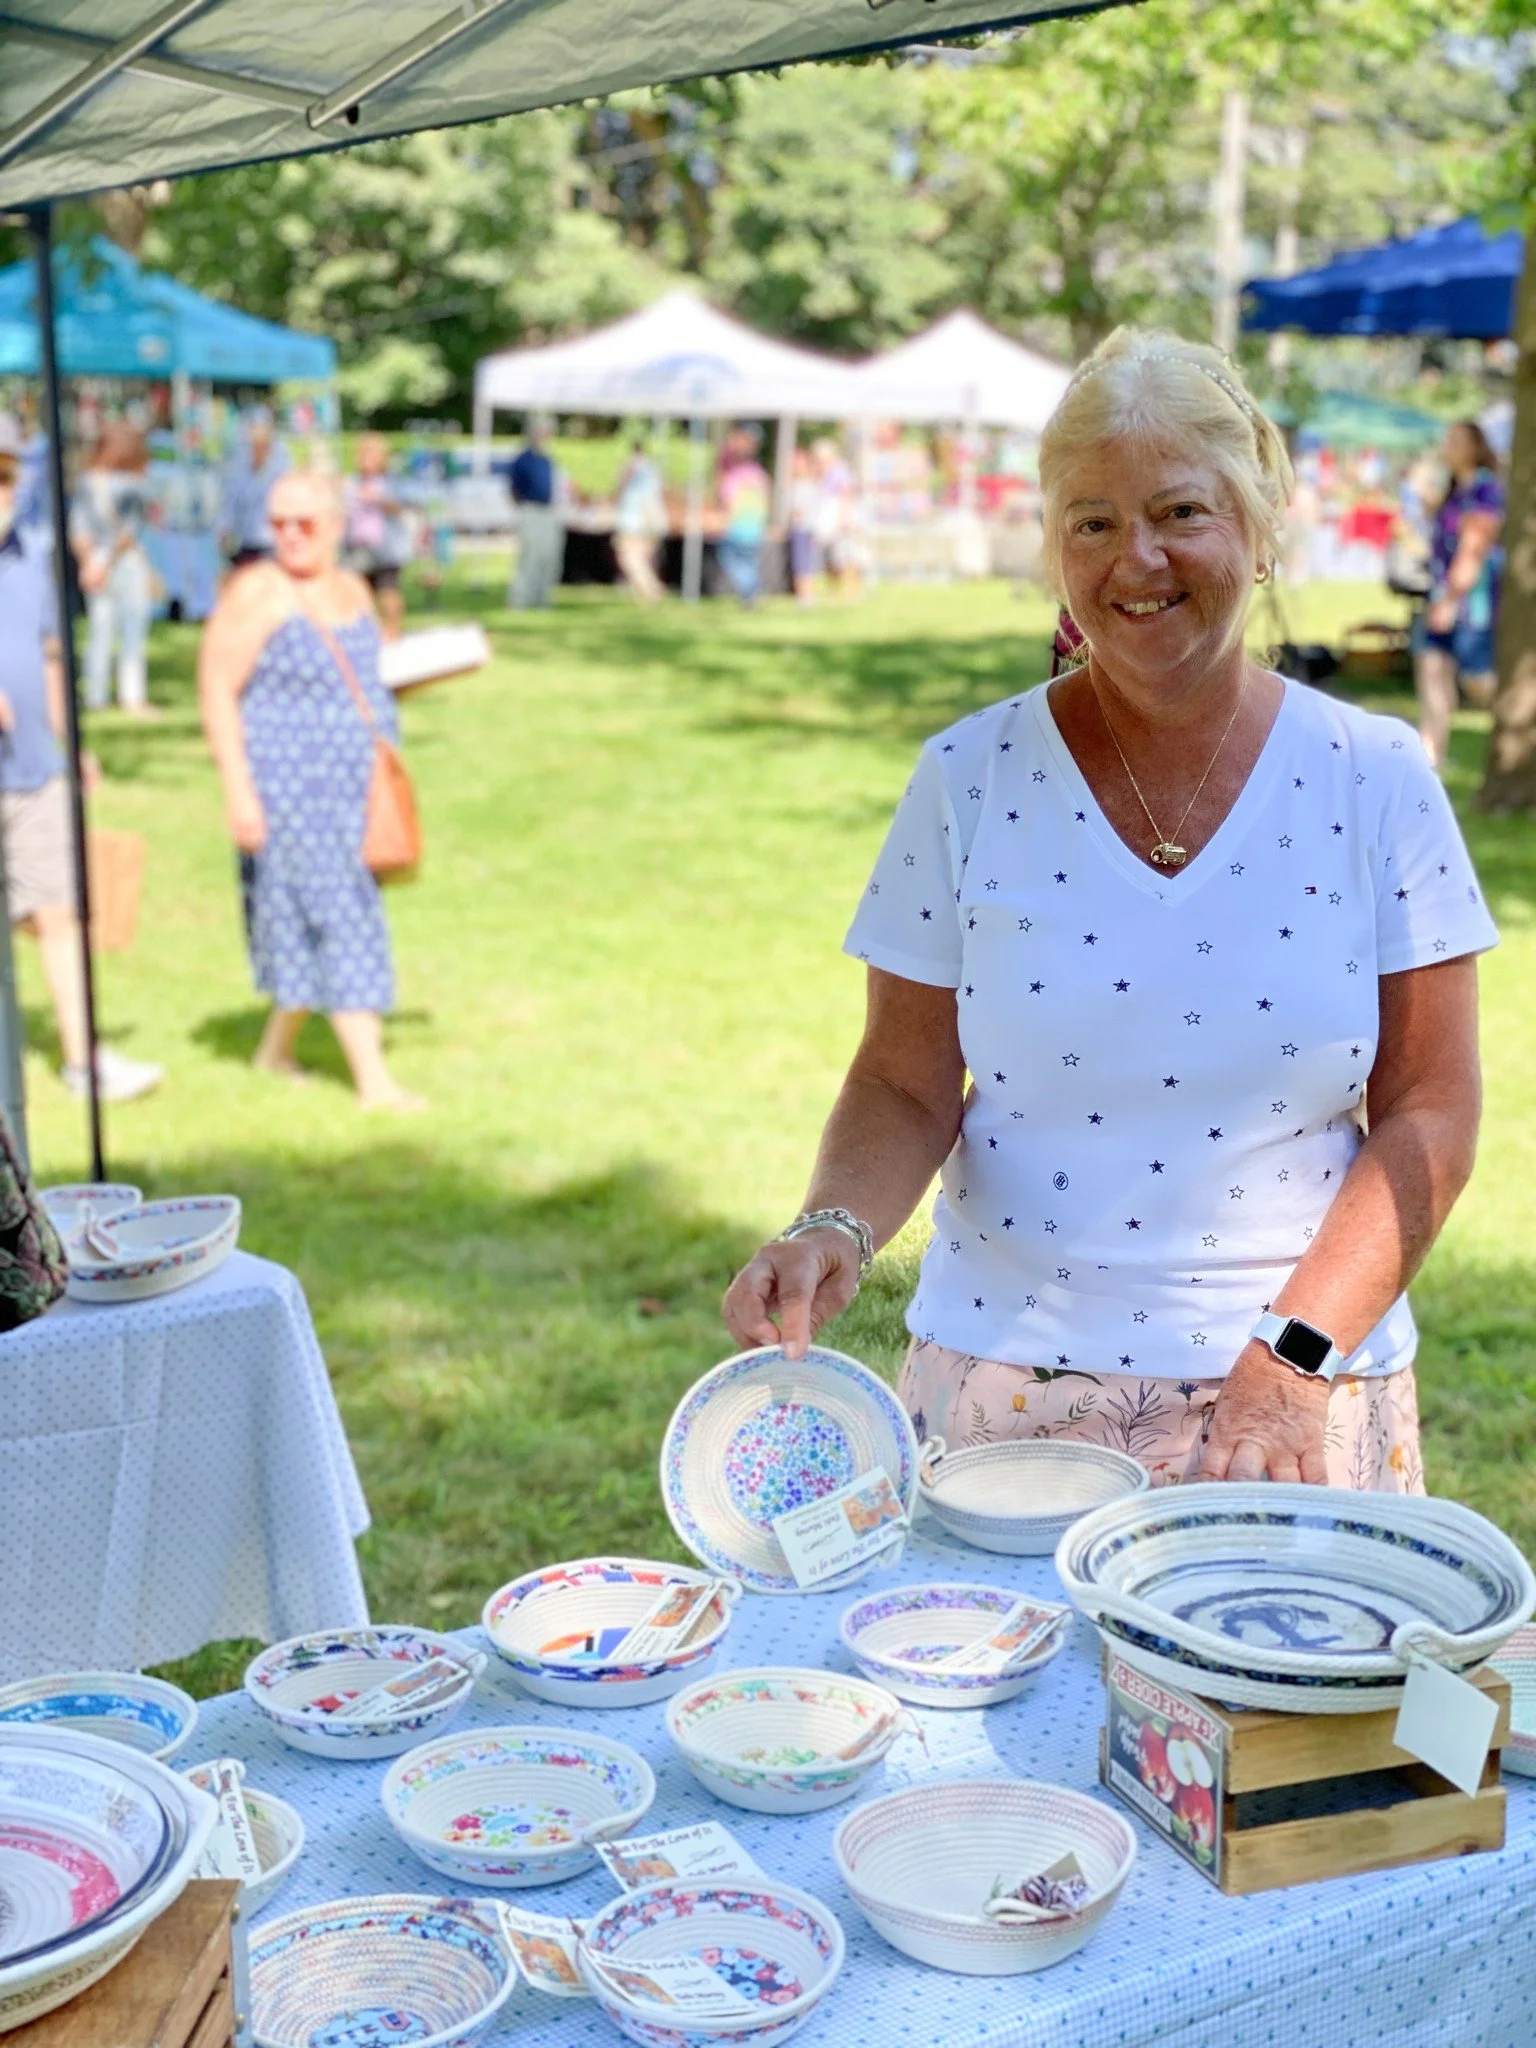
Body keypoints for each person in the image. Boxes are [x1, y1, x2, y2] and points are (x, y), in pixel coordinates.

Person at [723, 328, 1496, 1493]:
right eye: (1092, 521)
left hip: (1300, 1389)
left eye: (1180, 511)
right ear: (1052, 550)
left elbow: (1432, 1110)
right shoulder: (968, 776)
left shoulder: (1375, 775)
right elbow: (902, 1079)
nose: (1137, 559)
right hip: (1004, 1390)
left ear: (1261, 524)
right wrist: (830, 1225)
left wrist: (1291, 1354)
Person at [198, 470, 422, 1111]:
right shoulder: (257, 593)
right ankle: (374, 1083)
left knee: (309, 918)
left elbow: (371, 674)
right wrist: (238, 792)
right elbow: (215, 690)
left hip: (356, 787)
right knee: (342, 917)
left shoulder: (352, 588)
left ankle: (273, 1052)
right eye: (277, 524)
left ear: (336, 525)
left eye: (305, 524)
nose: (289, 536)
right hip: (289, 790)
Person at [0, 418, 162, 1103]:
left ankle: (82, 1060)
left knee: (63, 912)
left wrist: (74, 744)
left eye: (5, 474)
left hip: (34, 770)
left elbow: (47, 653)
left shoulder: (29, 552)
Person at [1413, 420, 1504, 770]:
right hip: (1442, 596)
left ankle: (1520, 725)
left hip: (1471, 604)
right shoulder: (1454, 491)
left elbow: (1474, 550)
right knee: (1432, 669)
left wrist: (1450, 600)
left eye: (1455, 440)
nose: (1446, 445)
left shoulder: (1484, 490)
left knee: (1478, 681)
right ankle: (1428, 762)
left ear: (1474, 447)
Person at [70, 423, 156, 718]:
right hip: (124, 562)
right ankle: (132, 697)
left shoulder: (86, 482)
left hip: (94, 558)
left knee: (99, 630)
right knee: (132, 631)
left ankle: (96, 696)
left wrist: (88, 563)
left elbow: (78, 529)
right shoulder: (135, 485)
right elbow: (129, 533)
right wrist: (107, 562)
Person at [344, 433, 411, 641]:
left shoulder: (392, 482)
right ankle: (366, 634)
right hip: (357, 546)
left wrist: (377, 499)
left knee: (388, 590)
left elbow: (400, 508)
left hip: (386, 547)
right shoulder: (351, 482)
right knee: (358, 593)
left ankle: (392, 633)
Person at [219, 406, 290, 570]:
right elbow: (231, 499)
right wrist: (224, 528)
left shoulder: (281, 461)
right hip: (245, 541)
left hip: (272, 543)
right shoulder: (239, 461)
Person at [508, 419, 564, 610]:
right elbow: (513, 488)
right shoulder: (522, 460)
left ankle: (543, 598)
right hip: (530, 509)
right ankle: (520, 599)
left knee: (548, 555)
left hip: (547, 511)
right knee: (529, 555)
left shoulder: (547, 459)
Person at [715, 428, 770, 606]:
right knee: (748, 561)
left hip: (738, 524)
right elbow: (765, 499)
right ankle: (751, 592)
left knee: (730, 558)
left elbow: (729, 501)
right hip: (755, 525)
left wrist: (725, 519)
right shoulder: (758, 474)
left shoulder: (734, 476)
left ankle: (749, 591)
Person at [611, 439, 666, 604]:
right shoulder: (652, 469)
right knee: (639, 559)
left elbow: (631, 493)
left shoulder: (633, 468)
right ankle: (647, 588)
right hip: (645, 519)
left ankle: (651, 588)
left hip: (635, 520)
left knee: (630, 558)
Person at [787, 447, 822, 605]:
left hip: (803, 529)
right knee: (804, 563)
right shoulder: (806, 485)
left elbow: (799, 510)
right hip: (804, 528)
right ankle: (804, 595)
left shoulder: (803, 486)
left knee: (803, 564)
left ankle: (805, 596)